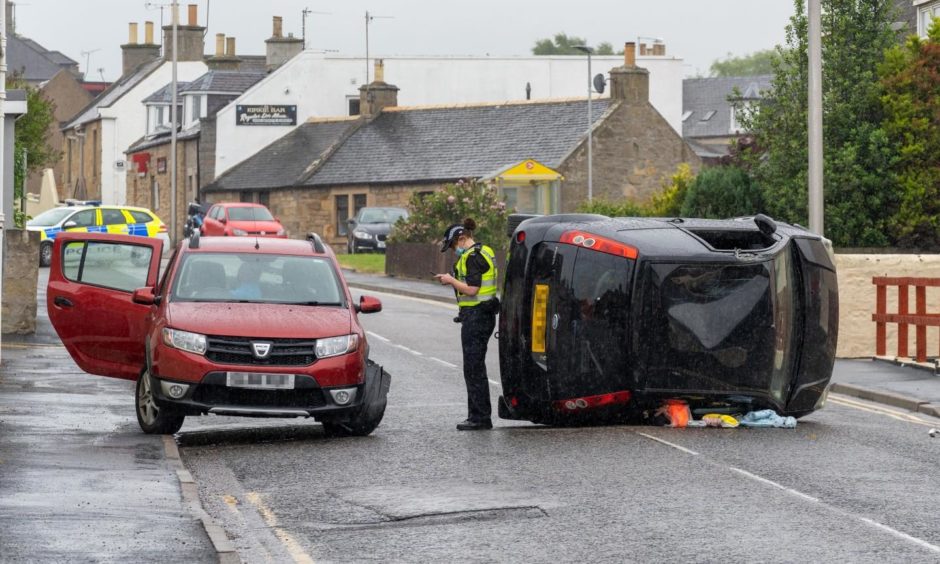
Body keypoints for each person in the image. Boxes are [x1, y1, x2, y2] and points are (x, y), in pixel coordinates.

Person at [433, 218, 499, 431]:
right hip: (482, 314)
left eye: (453, 245)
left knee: (473, 368)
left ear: (462, 238)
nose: (454, 250)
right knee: (474, 366)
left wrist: (451, 281)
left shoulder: (473, 256)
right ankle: (477, 415)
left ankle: (480, 417)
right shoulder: (485, 251)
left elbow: (472, 289)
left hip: (477, 316)